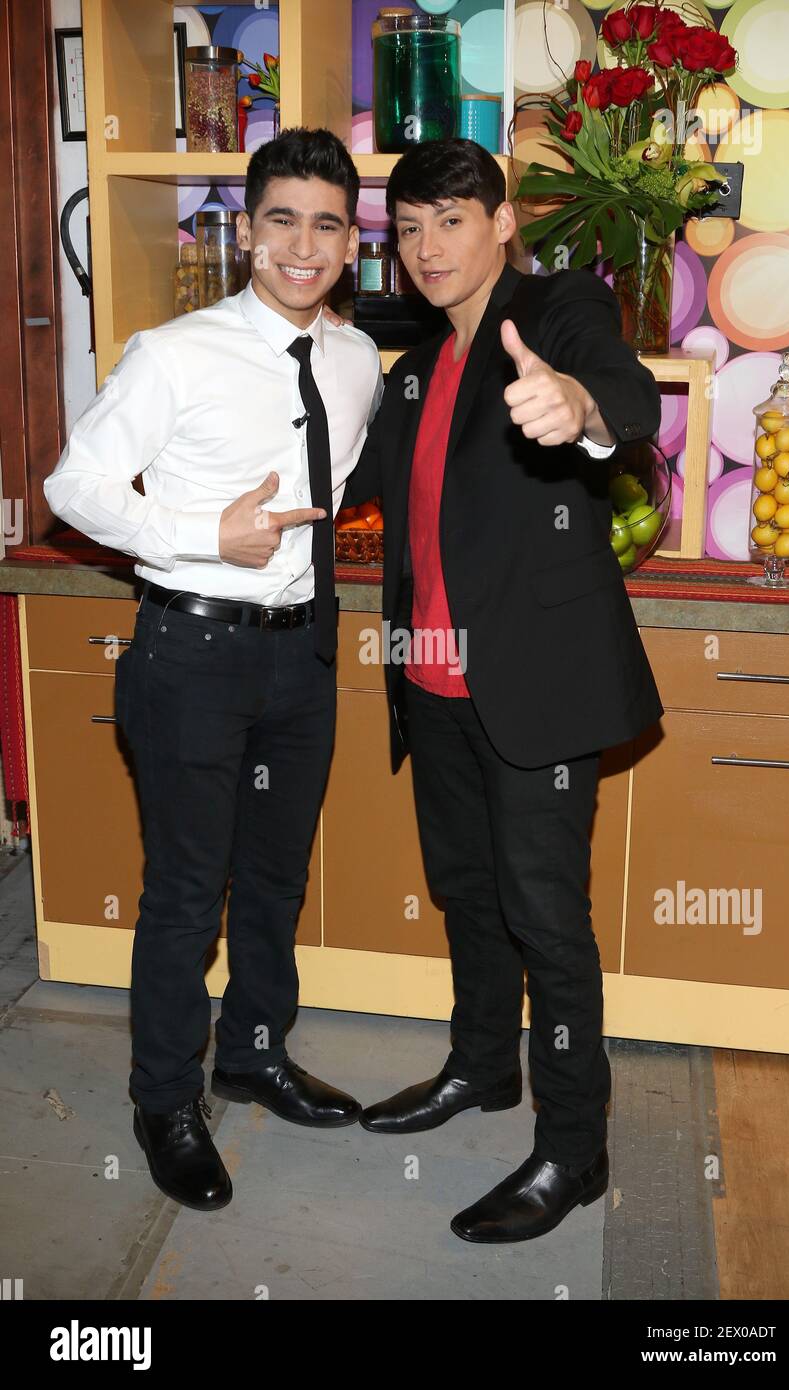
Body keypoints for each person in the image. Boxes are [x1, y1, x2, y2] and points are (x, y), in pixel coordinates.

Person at [43, 128, 384, 1212]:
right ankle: (165, 1099)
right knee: (187, 893)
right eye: (281, 217)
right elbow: (74, 485)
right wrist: (203, 535)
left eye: (326, 222)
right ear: (247, 229)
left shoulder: (354, 357)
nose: (302, 242)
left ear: (348, 242)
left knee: (275, 882)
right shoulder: (174, 351)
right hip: (190, 651)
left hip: (300, 655)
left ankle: (253, 1052)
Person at [342, 137, 664, 1244]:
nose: (428, 248)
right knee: (468, 896)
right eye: (411, 228)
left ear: (503, 221)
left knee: (544, 918)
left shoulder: (557, 307)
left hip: (536, 688)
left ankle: (574, 1145)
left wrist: (573, 404)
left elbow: (617, 392)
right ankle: (480, 1069)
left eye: (452, 220)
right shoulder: (423, 361)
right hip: (433, 684)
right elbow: (360, 484)